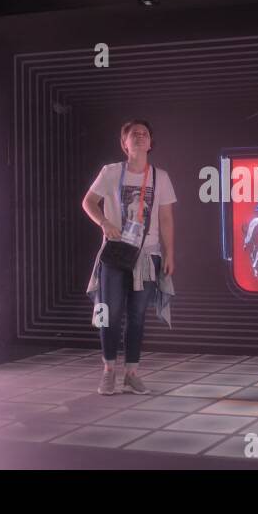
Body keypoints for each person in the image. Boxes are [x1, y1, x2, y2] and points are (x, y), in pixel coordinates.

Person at [82, 119, 177, 395]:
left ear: (150, 142)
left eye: (144, 133)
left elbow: (167, 218)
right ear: (125, 144)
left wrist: (170, 253)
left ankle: (132, 373)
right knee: (109, 313)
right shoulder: (111, 172)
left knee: (137, 316)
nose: (139, 137)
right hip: (115, 253)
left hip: (148, 255)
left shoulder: (161, 177)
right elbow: (88, 202)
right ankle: (109, 370)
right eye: (133, 134)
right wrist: (104, 223)